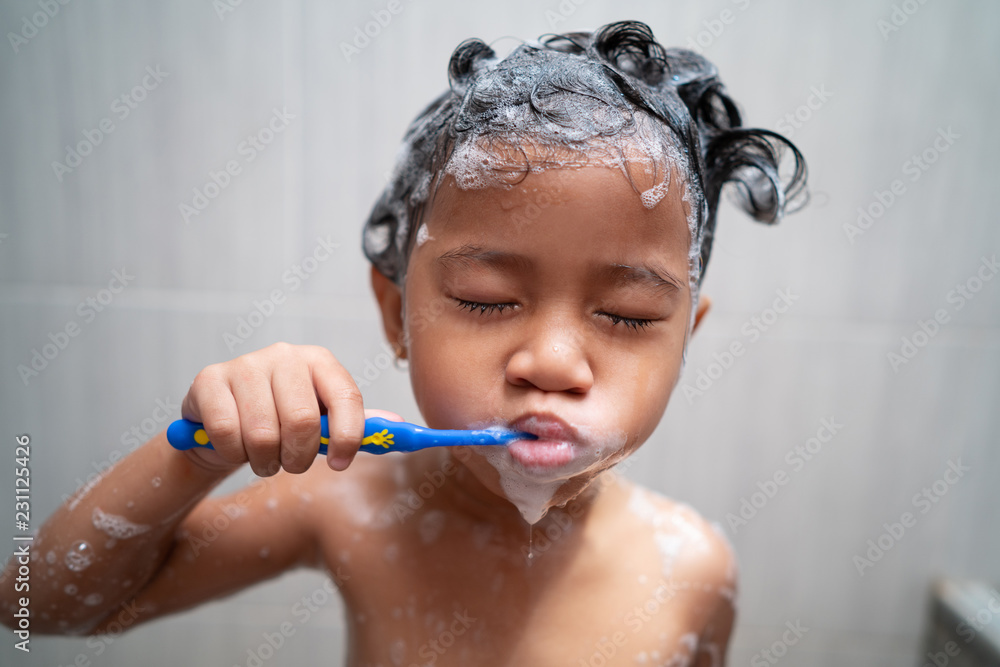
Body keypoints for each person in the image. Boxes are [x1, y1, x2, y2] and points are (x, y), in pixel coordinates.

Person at [1, 20, 806, 665]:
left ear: (686, 339)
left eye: (629, 315)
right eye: (485, 300)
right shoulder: (347, 501)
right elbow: (36, 607)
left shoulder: (695, 570)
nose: (553, 363)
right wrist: (199, 454)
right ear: (396, 316)